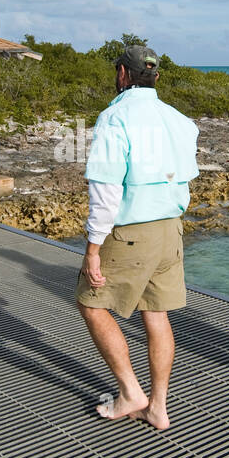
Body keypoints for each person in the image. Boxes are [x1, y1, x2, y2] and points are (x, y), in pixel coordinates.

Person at [76, 45, 199, 431]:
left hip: (131, 232)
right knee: (156, 313)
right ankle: (158, 408)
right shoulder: (180, 120)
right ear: (155, 77)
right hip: (171, 228)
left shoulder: (114, 118)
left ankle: (131, 393)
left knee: (91, 303)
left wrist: (93, 249)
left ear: (123, 75)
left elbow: (107, 191)